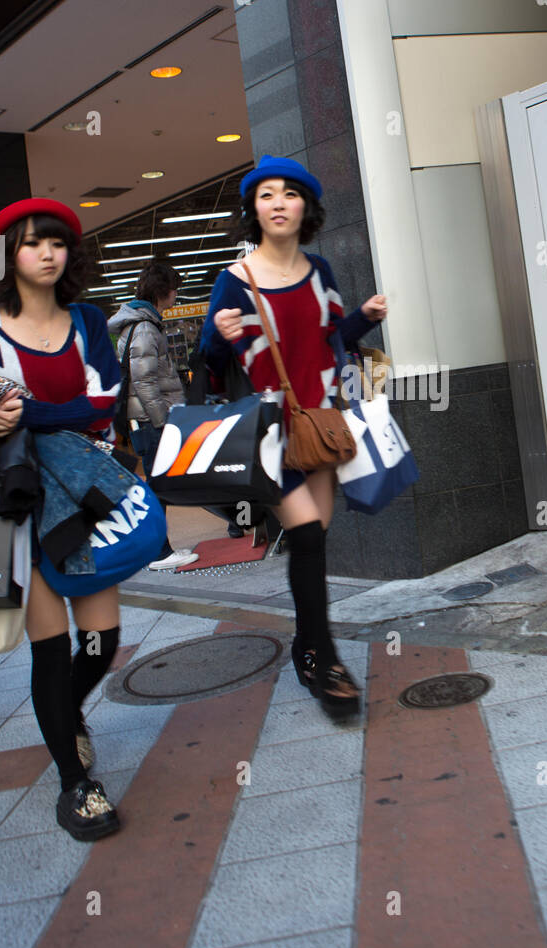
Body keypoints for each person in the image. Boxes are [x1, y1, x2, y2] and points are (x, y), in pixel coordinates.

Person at [199, 156, 387, 718]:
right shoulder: (234, 280)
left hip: (321, 426)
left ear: (306, 206)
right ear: (253, 209)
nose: (278, 203)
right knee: (304, 531)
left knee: (313, 542)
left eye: (290, 194)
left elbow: (332, 341)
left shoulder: (321, 270)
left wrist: (364, 318)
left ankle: (307, 648)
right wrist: (220, 336)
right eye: (266, 195)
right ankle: (325, 659)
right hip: (268, 431)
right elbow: (208, 366)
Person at [0, 199, 124, 841]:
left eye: (56, 242)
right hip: (13, 502)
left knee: (102, 640)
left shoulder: (88, 319)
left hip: (82, 497)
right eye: (31, 243)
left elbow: (105, 401)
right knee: (50, 648)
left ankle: (68, 717)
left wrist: (25, 414)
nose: (46, 252)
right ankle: (75, 784)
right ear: (8, 257)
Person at [108, 261, 198, 571]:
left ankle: (159, 549)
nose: (176, 296)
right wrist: (164, 421)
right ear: (162, 291)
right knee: (159, 489)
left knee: (160, 486)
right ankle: (159, 553)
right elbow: (144, 382)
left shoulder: (141, 323)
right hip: (152, 422)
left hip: (146, 421)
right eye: (174, 289)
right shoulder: (145, 328)